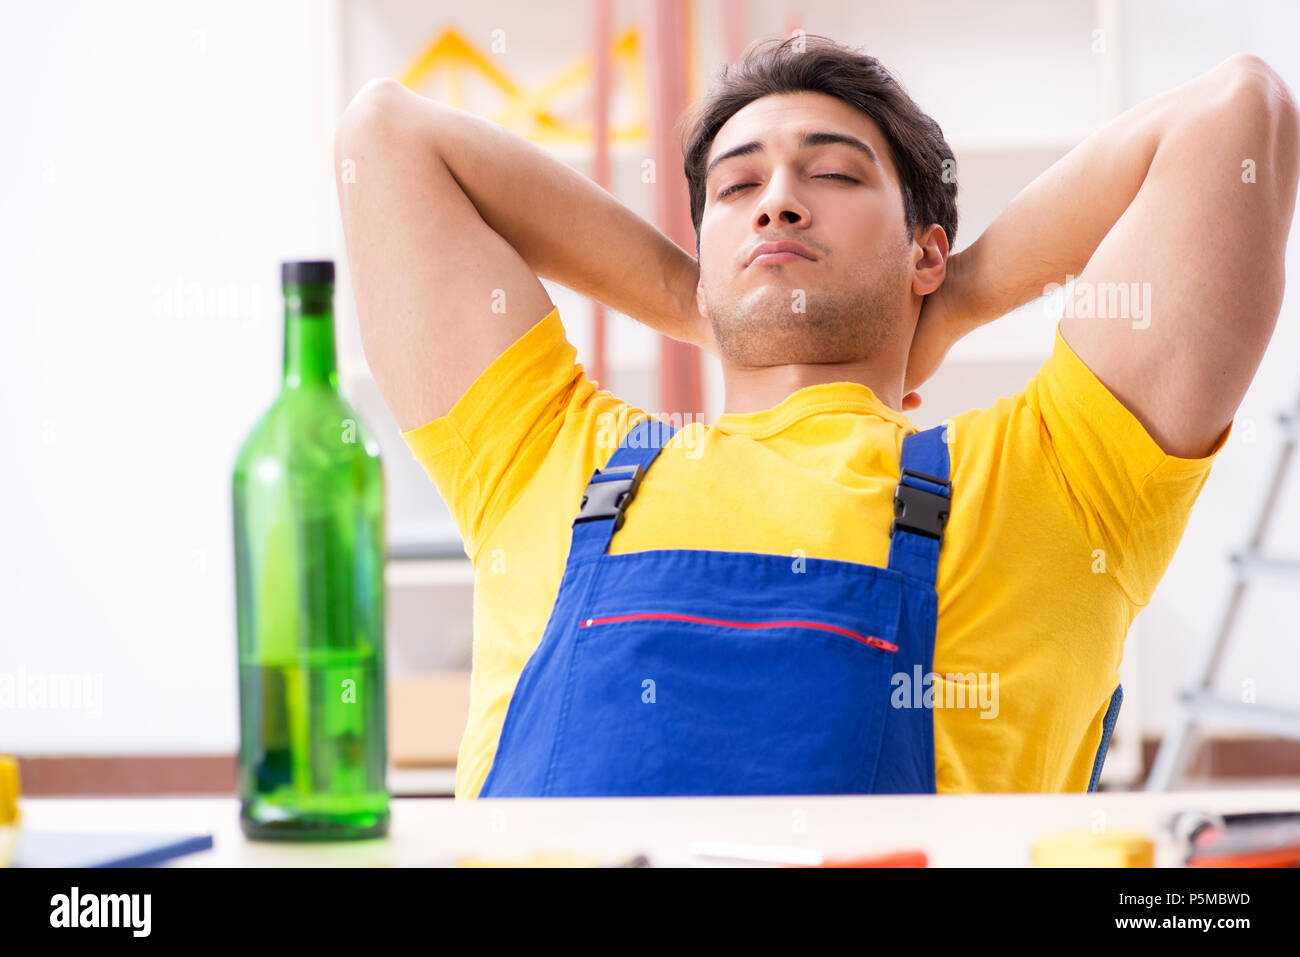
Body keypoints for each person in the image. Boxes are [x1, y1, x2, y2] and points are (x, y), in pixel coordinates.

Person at [334, 34, 1299, 799]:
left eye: (833, 174)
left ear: (926, 250)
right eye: (738, 186)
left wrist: (951, 301)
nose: (779, 202)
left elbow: (1236, 116)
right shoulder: (553, 455)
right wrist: (695, 296)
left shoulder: (1049, 477)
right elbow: (384, 138)